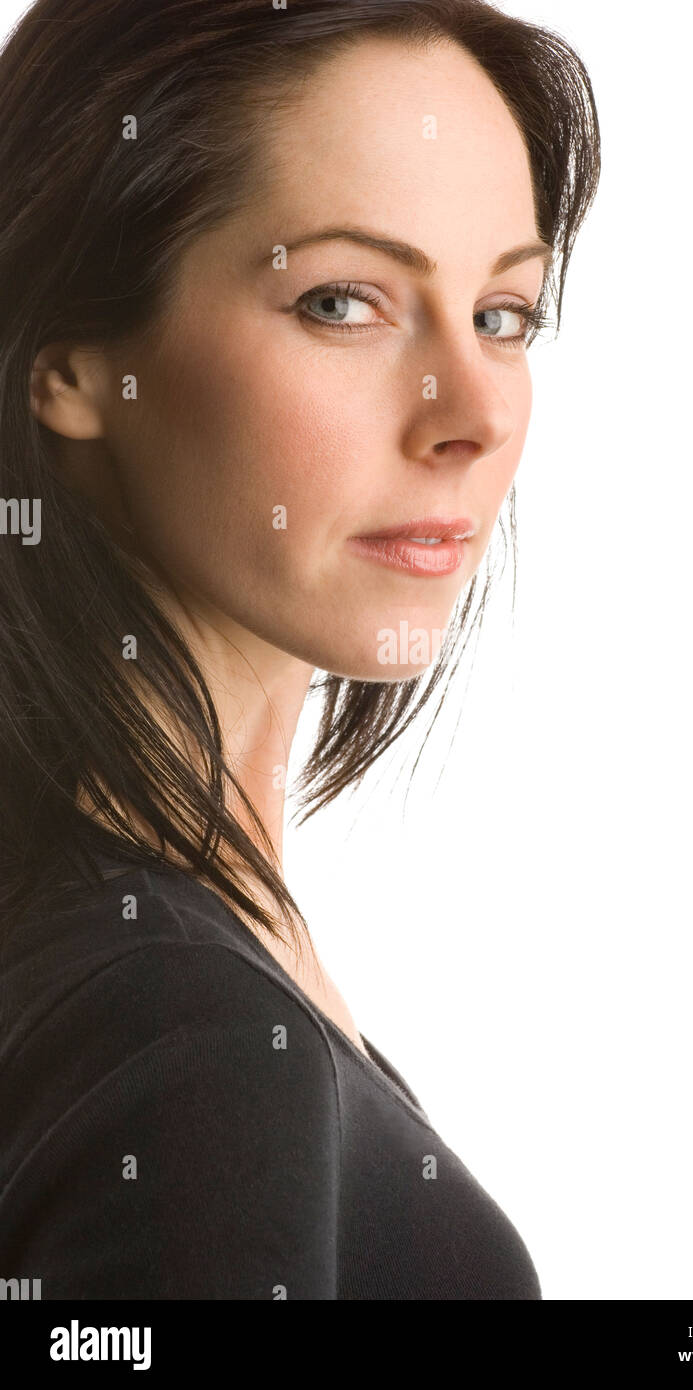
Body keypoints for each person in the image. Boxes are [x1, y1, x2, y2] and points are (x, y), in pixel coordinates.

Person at [0, 0, 600, 1299]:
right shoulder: (192, 1027)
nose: (475, 410)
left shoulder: (161, 963)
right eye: (344, 300)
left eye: (504, 312)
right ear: (72, 363)